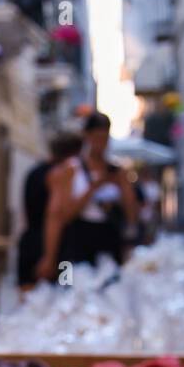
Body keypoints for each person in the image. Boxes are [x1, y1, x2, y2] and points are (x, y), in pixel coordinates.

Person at [37, 112, 140, 282]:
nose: (101, 144)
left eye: (105, 138)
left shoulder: (117, 171)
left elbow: (132, 215)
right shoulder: (70, 169)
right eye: (97, 138)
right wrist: (93, 188)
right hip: (74, 241)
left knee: (110, 292)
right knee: (67, 290)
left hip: (107, 239)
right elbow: (61, 215)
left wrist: (124, 189)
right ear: (87, 136)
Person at [17, 130, 82, 291]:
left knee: (28, 303)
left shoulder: (34, 172)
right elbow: (55, 215)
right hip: (57, 248)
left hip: (30, 241)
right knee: (63, 302)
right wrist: (49, 257)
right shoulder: (62, 174)